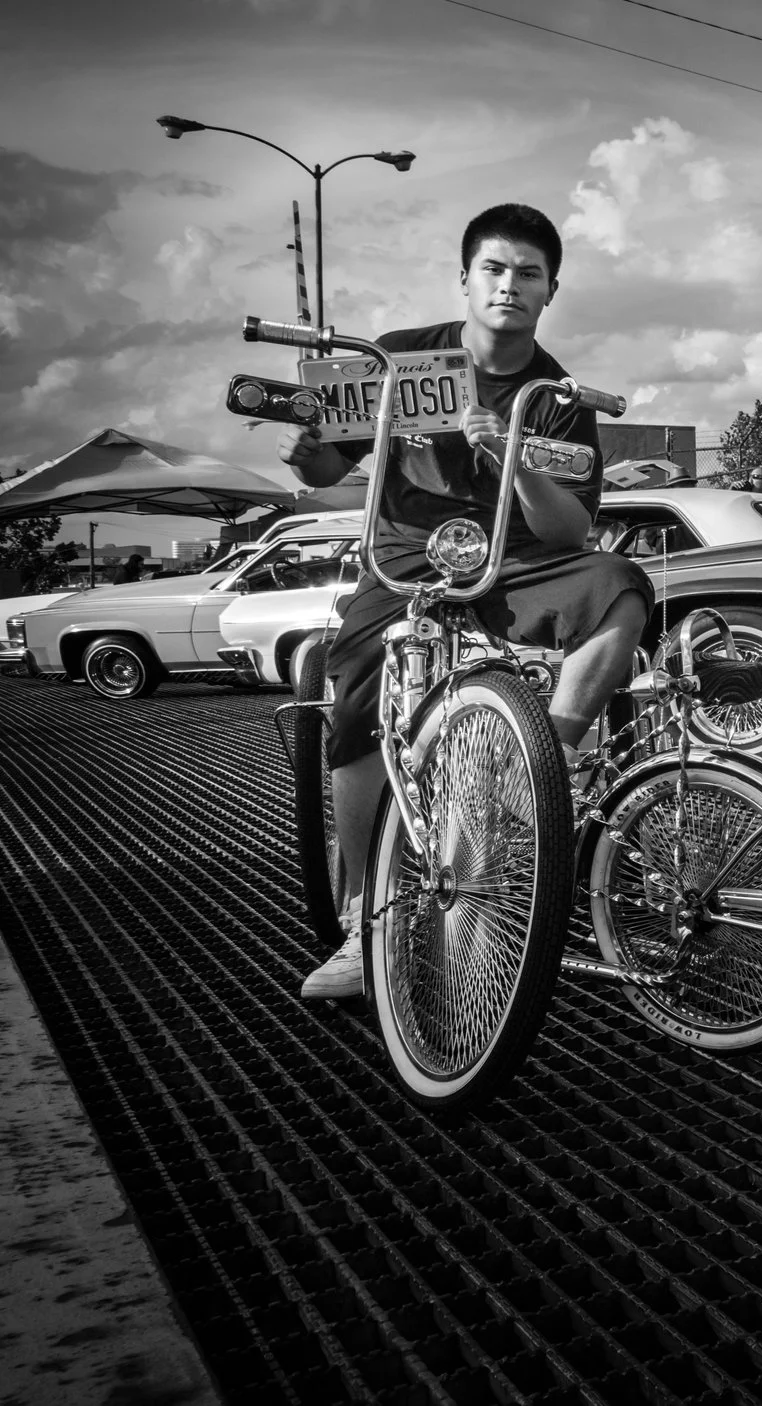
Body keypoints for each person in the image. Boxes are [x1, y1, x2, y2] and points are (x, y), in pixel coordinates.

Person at [274, 203, 652, 1000]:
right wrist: (308, 453)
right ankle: (361, 921)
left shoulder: (556, 395)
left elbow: (572, 530)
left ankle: (542, 766)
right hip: (409, 556)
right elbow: (322, 466)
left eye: (528, 274)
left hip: (513, 560)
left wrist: (506, 455)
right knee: (358, 699)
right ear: (465, 278)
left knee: (622, 589)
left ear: (550, 291)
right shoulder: (397, 359)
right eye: (495, 269)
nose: (509, 286)